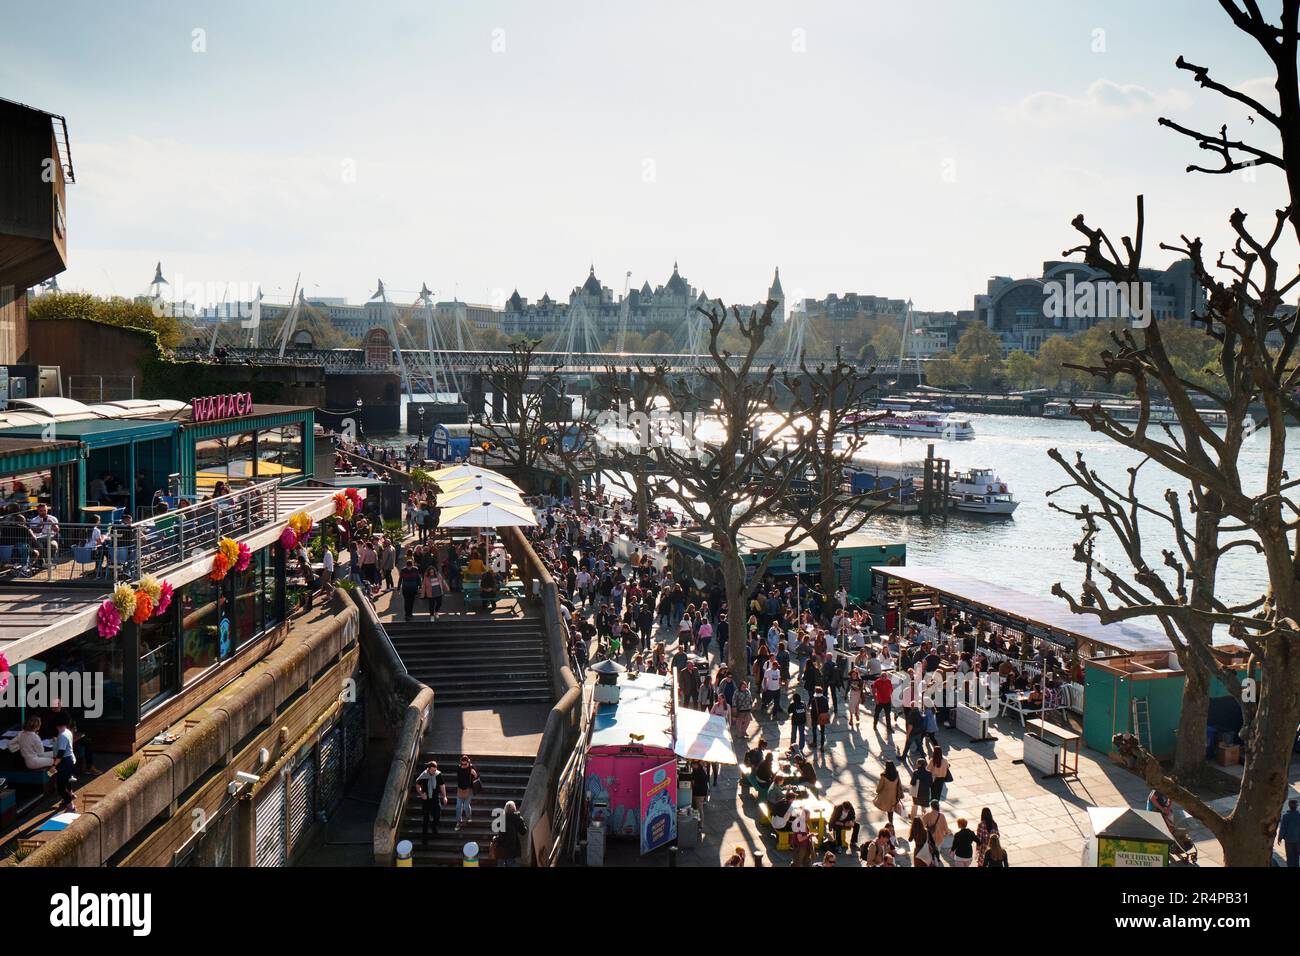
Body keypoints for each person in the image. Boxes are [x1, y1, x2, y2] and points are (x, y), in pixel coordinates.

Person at [413, 760, 447, 844]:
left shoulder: (438, 774)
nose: (434, 772)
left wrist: (444, 796)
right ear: (428, 769)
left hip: (435, 798)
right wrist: (421, 794)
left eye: (435, 770)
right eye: (432, 770)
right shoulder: (423, 776)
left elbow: (442, 785)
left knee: (437, 815)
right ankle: (424, 838)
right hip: (426, 799)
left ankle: (433, 826)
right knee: (426, 819)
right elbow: (417, 786)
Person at [51, 715, 77, 811]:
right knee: (66, 781)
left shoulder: (62, 735)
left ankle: (70, 805)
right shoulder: (67, 732)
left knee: (60, 786)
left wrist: (54, 765)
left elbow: (61, 753)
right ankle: (70, 795)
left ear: (56, 725)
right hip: (69, 760)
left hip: (64, 762)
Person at [493, 800, 528, 866]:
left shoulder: (502, 818)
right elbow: (523, 832)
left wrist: (496, 839)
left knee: (501, 863)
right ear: (514, 808)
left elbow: (499, 831)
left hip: (502, 845)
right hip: (513, 845)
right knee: (511, 863)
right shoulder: (518, 818)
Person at [874, 760, 906, 826]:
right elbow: (899, 784)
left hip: (886, 797)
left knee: (888, 809)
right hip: (894, 796)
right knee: (891, 810)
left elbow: (880, 786)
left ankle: (890, 823)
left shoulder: (883, 775)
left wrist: (877, 791)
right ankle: (891, 823)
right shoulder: (896, 774)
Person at [454, 755, 479, 830]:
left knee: (466, 805)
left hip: (469, 789)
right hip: (460, 789)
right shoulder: (459, 768)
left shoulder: (472, 768)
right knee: (458, 806)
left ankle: (468, 817)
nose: (463, 765)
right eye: (462, 764)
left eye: (465, 764)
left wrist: (475, 774)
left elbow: (477, 779)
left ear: (468, 763)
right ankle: (458, 822)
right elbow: (459, 779)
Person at [1279, 798, 1300, 867]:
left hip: (1289, 840)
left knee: (1290, 857)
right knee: (1296, 857)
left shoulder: (1285, 816)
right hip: (1298, 840)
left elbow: (1283, 828)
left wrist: (1280, 837)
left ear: (1289, 806)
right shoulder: (1299, 816)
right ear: (1296, 806)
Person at [809, 686, 830, 754]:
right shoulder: (825, 699)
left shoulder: (814, 699)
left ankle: (814, 742)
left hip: (815, 716)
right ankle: (822, 746)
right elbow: (827, 708)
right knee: (822, 731)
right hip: (822, 716)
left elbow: (813, 710)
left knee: (814, 729)